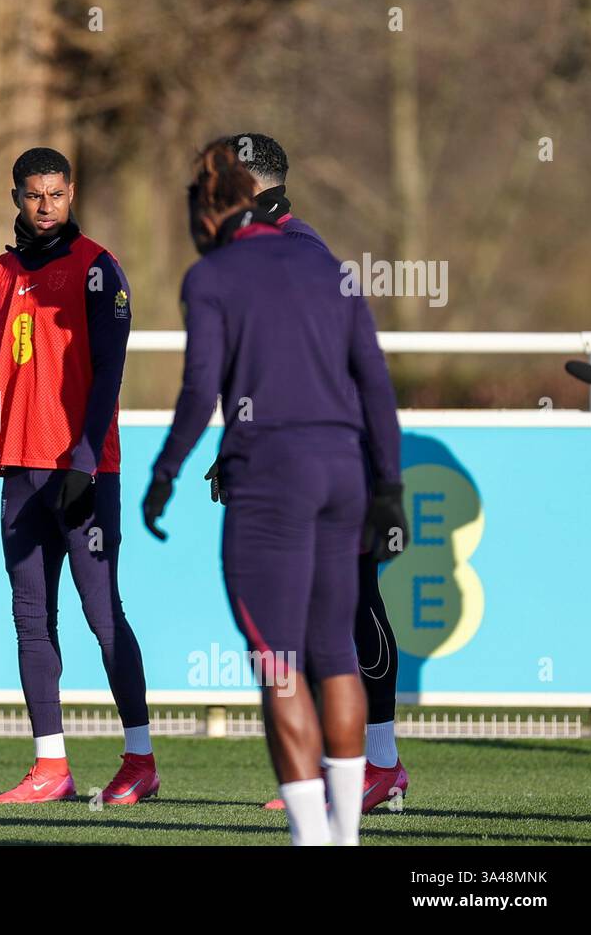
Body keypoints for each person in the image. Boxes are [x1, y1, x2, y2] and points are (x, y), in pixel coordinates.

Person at [143, 140, 408, 845]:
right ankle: (345, 833)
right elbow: (376, 383)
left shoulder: (212, 277)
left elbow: (201, 389)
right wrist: (390, 487)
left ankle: (309, 837)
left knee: (278, 660)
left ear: (212, 208)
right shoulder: (330, 267)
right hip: (345, 470)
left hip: (272, 479)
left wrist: (165, 469)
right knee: (335, 654)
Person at [0, 147, 157, 805]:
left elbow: (108, 377)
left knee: (103, 616)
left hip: (83, 477)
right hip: (18, 473)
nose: (46, 206)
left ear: (72, 196)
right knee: (30, 619)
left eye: (57, 195)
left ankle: (141, 758)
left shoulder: (99, 269)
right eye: (34, 195)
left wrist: (86, 461)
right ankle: (51, 767)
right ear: (16, 197)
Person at [217, 133, 409, 811]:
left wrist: (384, 481)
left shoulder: (298, 255)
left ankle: (376, 766)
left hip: (333, 456)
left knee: (352, 605)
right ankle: (359, 768)